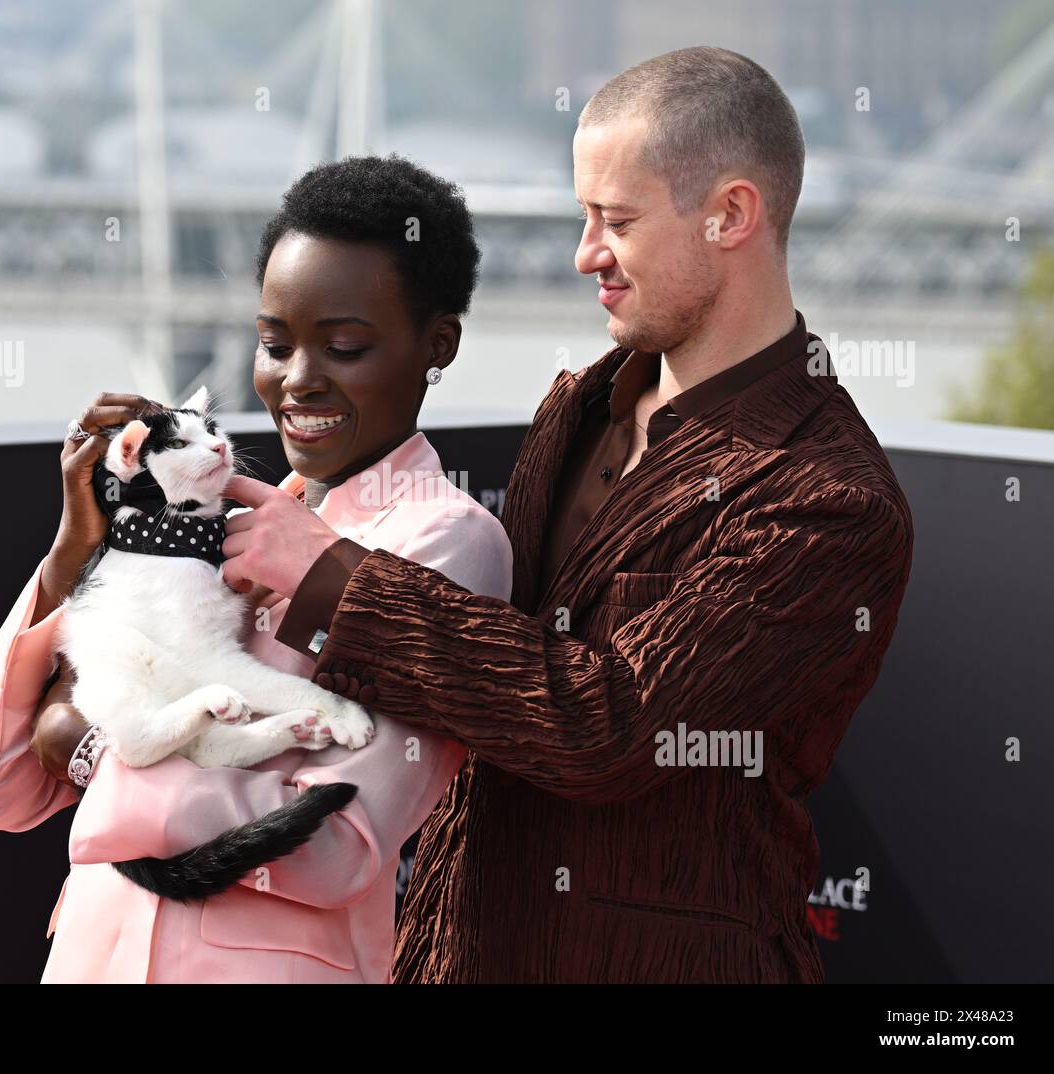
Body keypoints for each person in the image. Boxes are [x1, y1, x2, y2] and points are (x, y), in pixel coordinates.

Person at [216, 47, 917, 983]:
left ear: (732, 215)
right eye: (585, 216)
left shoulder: (828, 498)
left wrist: (336, 577)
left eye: (615, 221)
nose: (586, 254)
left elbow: (613, 727)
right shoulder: (578, 406)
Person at [0, 155, 513, 983]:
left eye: (347, 346)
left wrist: (101, 759)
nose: (297, 381)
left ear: (438, 345)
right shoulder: (205, 523)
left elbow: (335, 846)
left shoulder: (444, 540)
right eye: (274, 344)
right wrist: (75, 554)